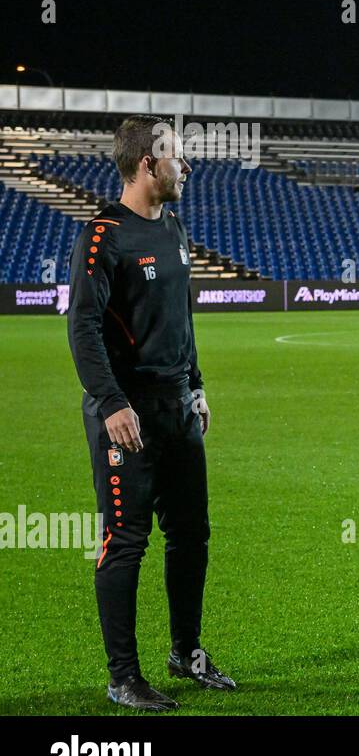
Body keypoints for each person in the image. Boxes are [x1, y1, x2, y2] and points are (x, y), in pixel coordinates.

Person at [67, 115, 235, 710]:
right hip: (126, 414)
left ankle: (185, 651)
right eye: (176, 156)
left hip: (177, 409)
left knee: (191, 534)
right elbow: (82, 327)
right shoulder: (102, 236)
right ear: (147, 164)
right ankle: (123, 676)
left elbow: (180, 322)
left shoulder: (175, 229)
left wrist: (197, 385)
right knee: (126, 540)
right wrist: (111, 402)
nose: (185, 166)